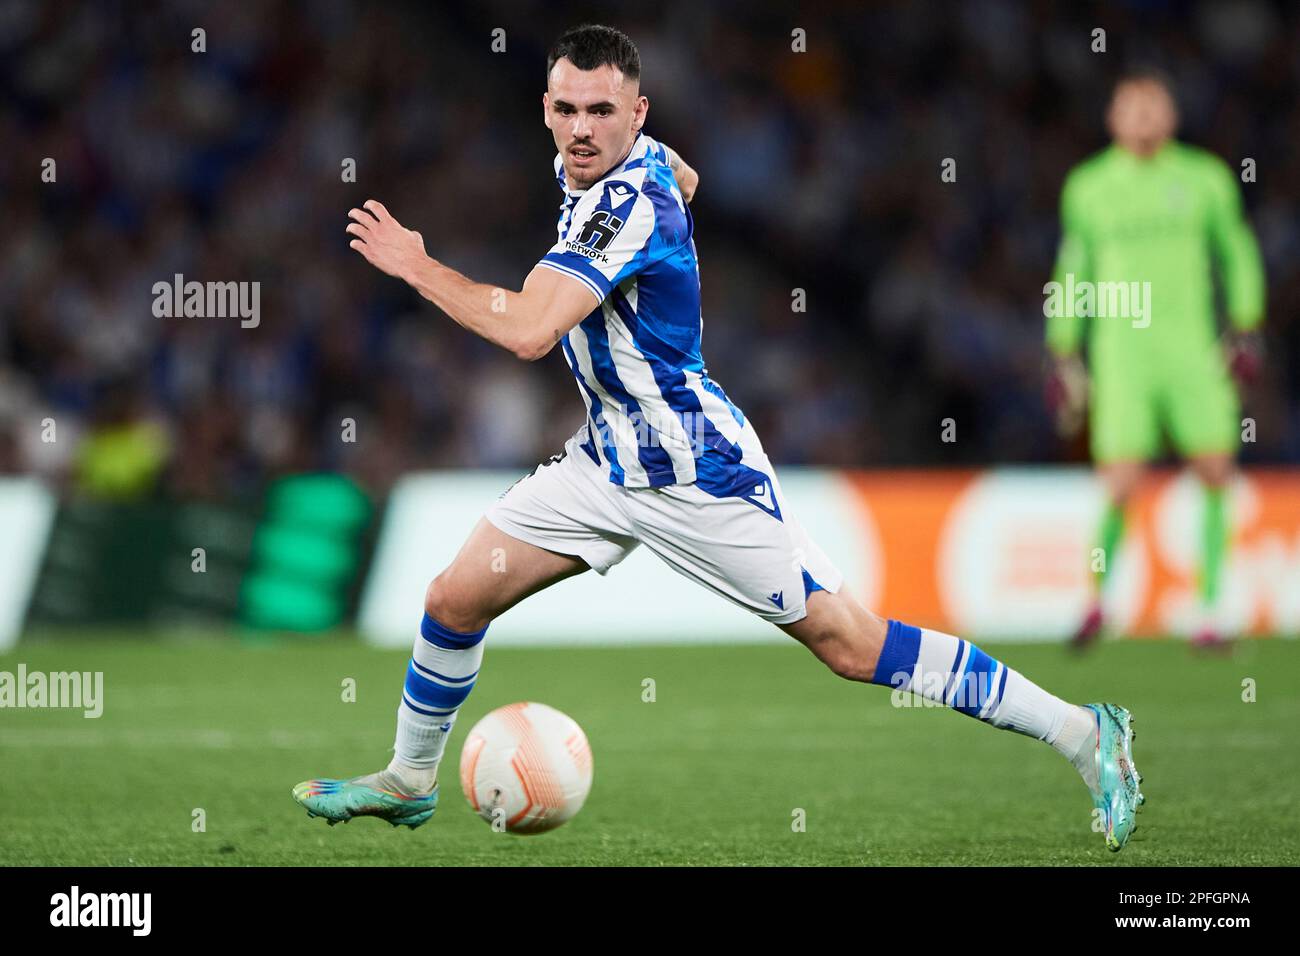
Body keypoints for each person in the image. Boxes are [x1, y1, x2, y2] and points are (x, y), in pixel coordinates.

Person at [295, 24, 1144, 851]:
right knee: (452, 598)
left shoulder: (626, 204)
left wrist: (415, 263)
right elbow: (688, 176)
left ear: (638, 110)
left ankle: (1084, 733)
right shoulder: (625, 158)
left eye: (601, 111)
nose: (581, 129)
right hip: (607, 460)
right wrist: (661, 163)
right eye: (566, 109)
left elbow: (528, 332)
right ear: (547, 109)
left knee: (852, 645)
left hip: (697, 468)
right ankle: (410, 780)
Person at [1046, 69, 1266, 649]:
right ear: (1112, 117)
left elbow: (1237, 250)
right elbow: (1073, 269)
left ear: (1171, 115)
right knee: (1119, 481)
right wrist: (1064, 348)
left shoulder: (1204, 179)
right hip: (1122, 355)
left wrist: (1245, 322)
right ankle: (1096, 602)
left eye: (1153, 104)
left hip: (1192, 349)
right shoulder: (1089, 187)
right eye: (1131, 105)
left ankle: (1213, 608)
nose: (1143, 115)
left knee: (1215, 469)